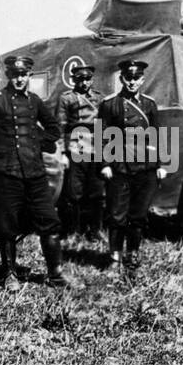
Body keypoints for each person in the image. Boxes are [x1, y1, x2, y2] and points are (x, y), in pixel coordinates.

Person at [0, 54, 68, 288]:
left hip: (35, 174)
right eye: (15, 75)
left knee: (50, 221)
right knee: (7, 227)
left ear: (29, 75)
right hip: (7, 174)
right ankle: (9, 275)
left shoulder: (35, 101)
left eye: (23, 74)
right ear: (8, 75)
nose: (19, 79)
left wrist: (37, 143)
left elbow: (54, 128)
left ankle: (55, 275)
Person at [96, 60, 166, 271]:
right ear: (121, 79)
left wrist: (161, 164)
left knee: (139, 215)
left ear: (143, 80)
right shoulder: (109, 104)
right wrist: (105, 164)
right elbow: (101, 135)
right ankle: (115, 256)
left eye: (136, 78)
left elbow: (157, 135)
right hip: (120, 166)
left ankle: (133, 253)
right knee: (117, 214)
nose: (132, 82)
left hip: (145, 166)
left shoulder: (149, 104)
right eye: (128, 78)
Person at [56, 64, 106, 241]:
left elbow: (105, 125)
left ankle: (95, 230)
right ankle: (73, 230)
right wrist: (62, 153)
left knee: (97, 193)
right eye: (80, 79)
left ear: (92, 80)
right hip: (76, 148)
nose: (84, 83)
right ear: (74, 80)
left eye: (87, 79)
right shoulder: (66, 98)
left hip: (96, 148)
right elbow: (60, 126)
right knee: (73, 193)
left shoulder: (100, 98)